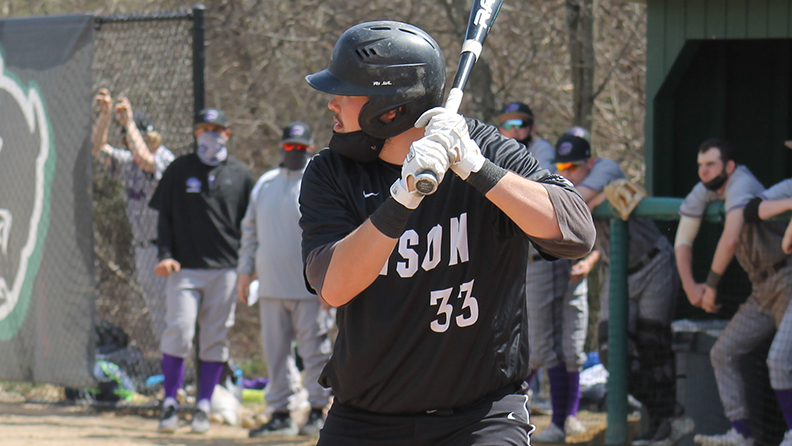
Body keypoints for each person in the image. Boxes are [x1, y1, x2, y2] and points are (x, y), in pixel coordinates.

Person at [300, 21, 596, 445]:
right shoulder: (330, 173)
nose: (332, 103)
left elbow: (576, 232)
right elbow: (333, 286)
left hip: (481, 416)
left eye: (346, 92)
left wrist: (478, 171)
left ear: (388, 110)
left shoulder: (480, 148)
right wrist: (402, 199)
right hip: (367, 416)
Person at [555, 127, 693, 446]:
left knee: (653, 349)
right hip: (616, 271)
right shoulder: (576, 178)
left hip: (652, 264)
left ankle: (663, 424)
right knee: (609, 352)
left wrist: (592, 198)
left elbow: (574, 204)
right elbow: (576, 207)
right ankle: (672, 415)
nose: (568, 173)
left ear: (589, 162)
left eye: (573, 166)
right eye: (563, 168)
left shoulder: (606, 168)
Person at [675, 139, 792, 446]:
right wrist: (690, 286)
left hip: (787, 277)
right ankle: (741, 432)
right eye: (700, 165)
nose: (703, 171)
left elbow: (731, 238)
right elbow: (684, 238)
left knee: (780, 360)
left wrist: (710, 286)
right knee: (723, 352)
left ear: (728, 166)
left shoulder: (741, 181)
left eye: (710, 164)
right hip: (761, 288)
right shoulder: (709, 187)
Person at [149, 108, 254, 434]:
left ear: (228, 133)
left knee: (214, 339)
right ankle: (169, 403)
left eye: (218, 129)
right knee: (178, 331)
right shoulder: (180, 169)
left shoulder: (240, 174)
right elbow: (163, 217)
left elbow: (248, 226)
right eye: (205, 128)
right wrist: (165, 254)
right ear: (195, 133)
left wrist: (247, 269)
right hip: (184, 268)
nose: (211, 134)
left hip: (225, 270)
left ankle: (204, 406)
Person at [495, 104, 592, 442]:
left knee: (558, 343)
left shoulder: (542, 151)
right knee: (539, 343)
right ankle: (559, 418)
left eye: (519, 123)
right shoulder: (497, 148)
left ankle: (563, 419)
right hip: (527, 259)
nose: (512, 129)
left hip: (547, 256)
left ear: (531, 126)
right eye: (506, 123)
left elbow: (546, 194)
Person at [237, 122, 334, 437]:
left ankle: (318, 410)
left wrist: (330, 281)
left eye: (300, 147)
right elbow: (249, 233)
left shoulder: (320, 181)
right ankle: (280, 412)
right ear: (282, 148)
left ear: (310, 147)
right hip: (271, 287)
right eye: (289, 147)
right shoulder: (265, 184)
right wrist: (245, 271)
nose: (294, 152)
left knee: (315, 351)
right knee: (275, 353)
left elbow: (335, 234)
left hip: (311, 289)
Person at [92, 89, 175, 339]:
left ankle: (189, 369)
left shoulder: (163, 158)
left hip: (167, 249)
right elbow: (98, 149)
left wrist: (128, 123)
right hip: (143, 249)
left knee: (175, 313)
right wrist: (105, 117)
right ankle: (170, 369)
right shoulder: (127, 164)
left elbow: (146, 160)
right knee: (157, 313)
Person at [496, 101, 556, 171]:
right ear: (500, 130)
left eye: (520, 124)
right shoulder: (492, 154)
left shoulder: (541, 149)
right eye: (508, 125)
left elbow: (545, 177)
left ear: (532, 128)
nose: (513, 130)